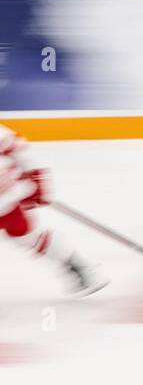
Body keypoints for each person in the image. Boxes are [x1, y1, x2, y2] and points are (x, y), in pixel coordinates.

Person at [0, 125, 107, 296]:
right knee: (28, 237)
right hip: (7, 198)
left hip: (5, 203)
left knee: (28, 237)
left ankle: (81, 266)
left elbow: (20, 151)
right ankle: (82, 267)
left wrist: (37, 179)